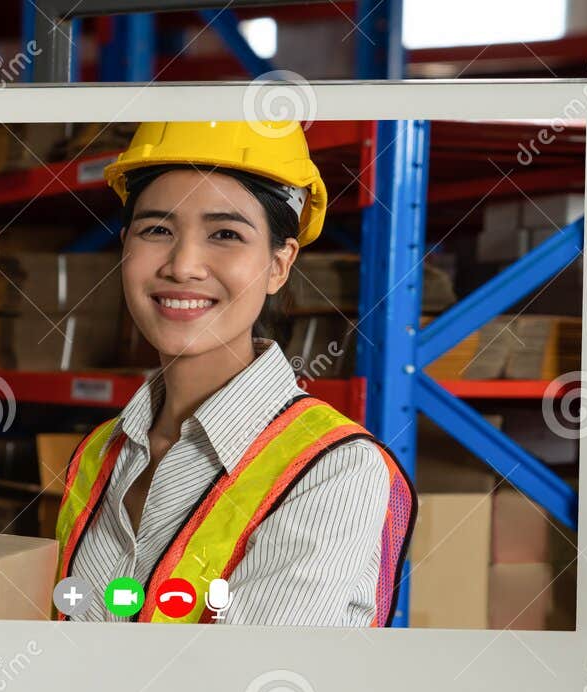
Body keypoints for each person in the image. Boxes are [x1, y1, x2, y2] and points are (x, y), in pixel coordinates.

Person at [52, 120, 415, 626]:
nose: (183, 266)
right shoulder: (99, 453)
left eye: (225, 234)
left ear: (278, 264)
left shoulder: (331, 470)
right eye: (157, 230)